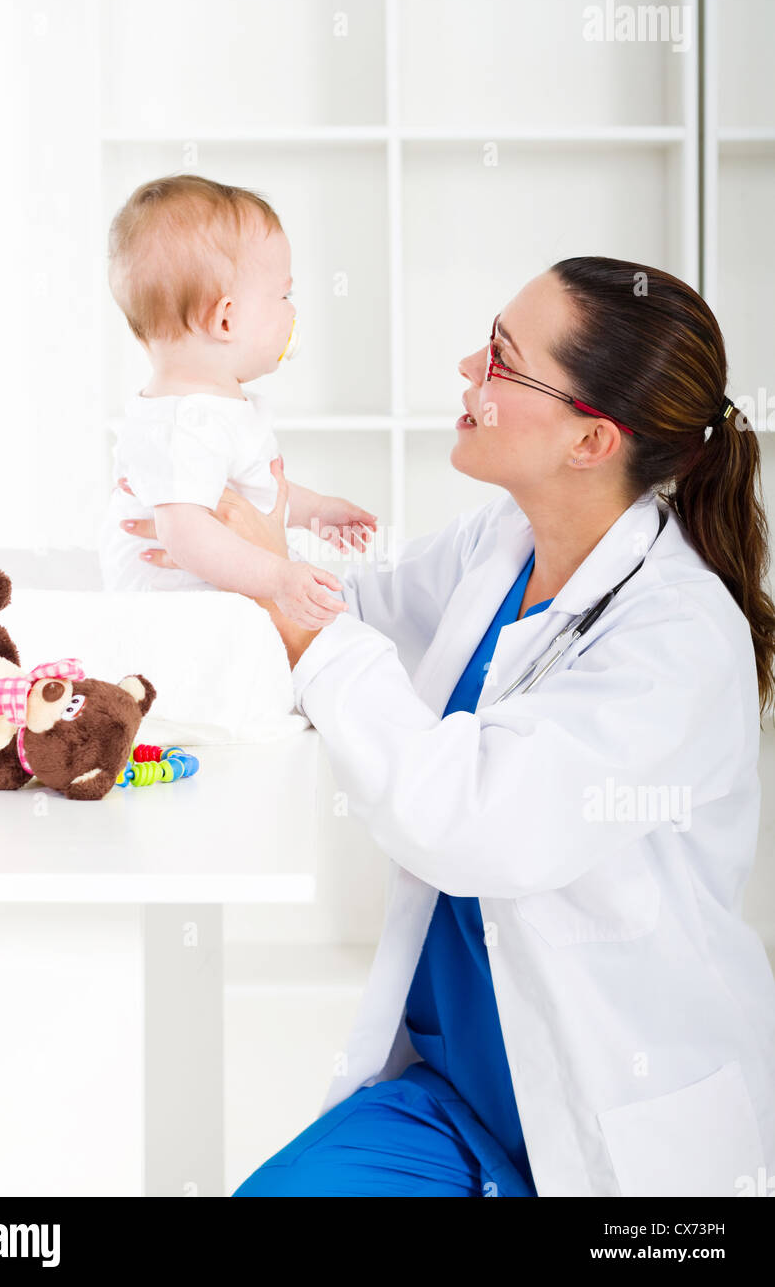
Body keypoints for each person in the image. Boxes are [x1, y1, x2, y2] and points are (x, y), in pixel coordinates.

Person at [120, 256, 775, 1197]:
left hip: (621, 1132)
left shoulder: (680, 637)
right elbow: (351, 614)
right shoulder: (499, 546)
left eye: (502, 360)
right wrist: (214, 548)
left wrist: (289, 600)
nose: (468, 366)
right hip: (453, 1097)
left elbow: (475, 821)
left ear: (590, 440)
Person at [100, 173, 376, 628]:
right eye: (283, 294)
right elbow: (185, 535)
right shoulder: (183, 421)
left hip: (205, 619)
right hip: (174, 626)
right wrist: (279, 578)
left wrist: (315, 510)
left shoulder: (211, 406)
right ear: (226, 320)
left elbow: (251, 491)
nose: (292, 309)